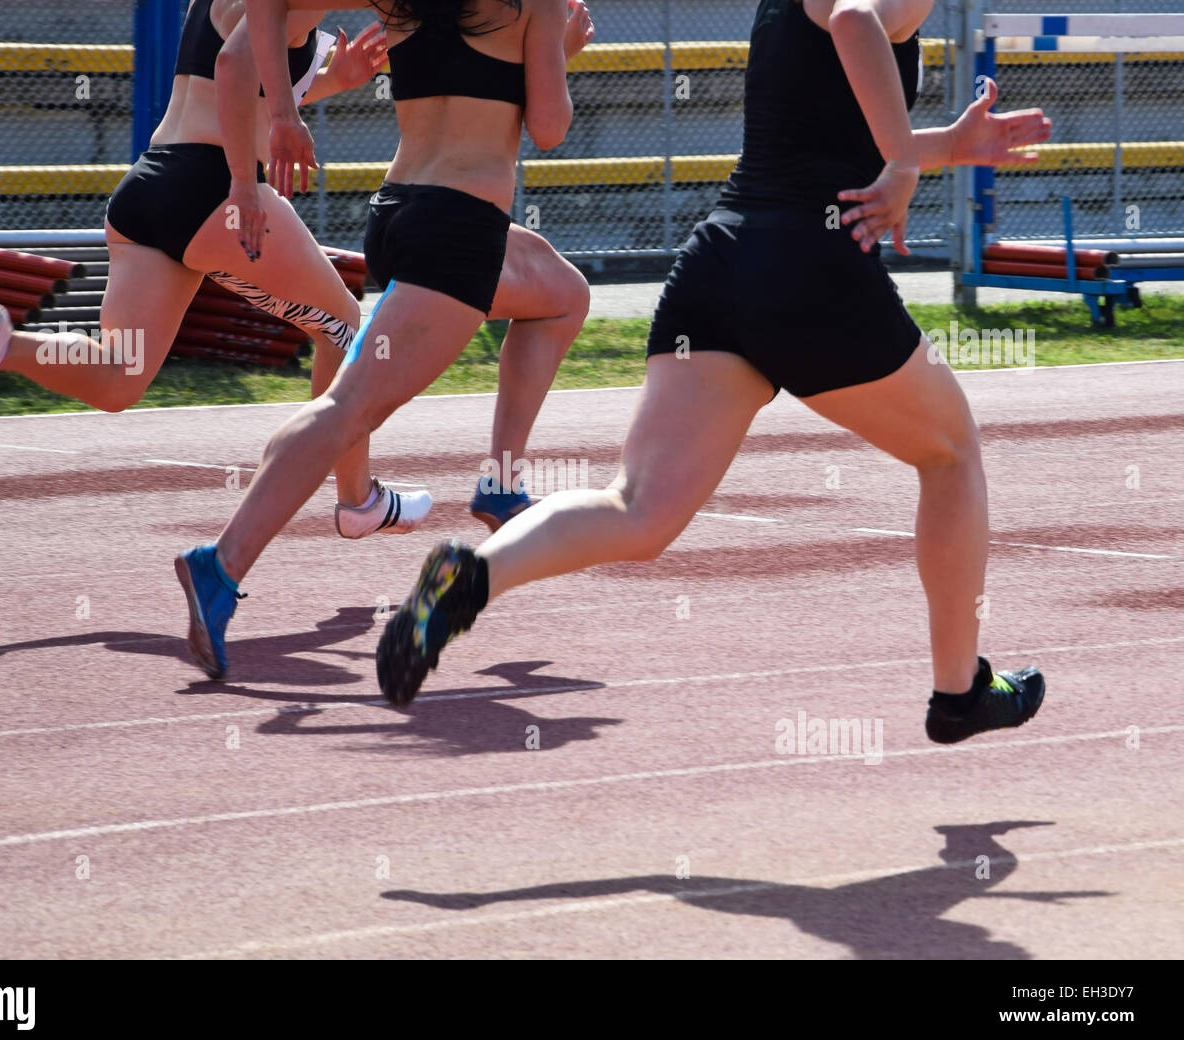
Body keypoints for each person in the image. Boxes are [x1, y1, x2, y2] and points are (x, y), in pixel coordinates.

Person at [376, 0, 1055, 747]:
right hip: (807, 267)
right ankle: (960, 692)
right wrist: (900, 162)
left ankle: (468, 580)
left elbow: (819, 127)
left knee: (636, 509)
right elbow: (860, 20)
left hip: (725, 262)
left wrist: (943, 148)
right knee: (951, 450)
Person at [174, 0, 596, 680]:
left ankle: (503, 485)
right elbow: (547, 127)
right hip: (458, 233)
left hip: (400, 215)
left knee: (561, 295)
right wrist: (561, 49)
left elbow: (266, 8)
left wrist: (283, 113)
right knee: (348, 411)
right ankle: (220, 565)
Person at [0, 0, 428, 539]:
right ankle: (358, 500)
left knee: (119, 376)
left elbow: (241, 79)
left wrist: (331, 80)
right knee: (347, 332)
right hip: (215, 188)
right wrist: (244, 180)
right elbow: (236, 68)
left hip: (151, 188)